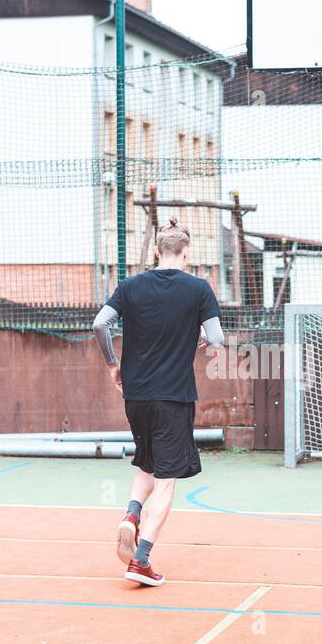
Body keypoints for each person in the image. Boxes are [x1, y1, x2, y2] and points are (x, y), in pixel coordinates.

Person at [92, 218, 224, 587]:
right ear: (186, 253)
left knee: (146, 463)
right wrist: (199, 335)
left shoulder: (131, 285)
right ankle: (141, 559)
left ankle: (131, 515)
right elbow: (217, 338)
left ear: (155, 251)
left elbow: (100, 325)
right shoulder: (198, 289)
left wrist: (112, 366)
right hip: (173, 397)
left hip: (136, 394)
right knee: (167, 482)